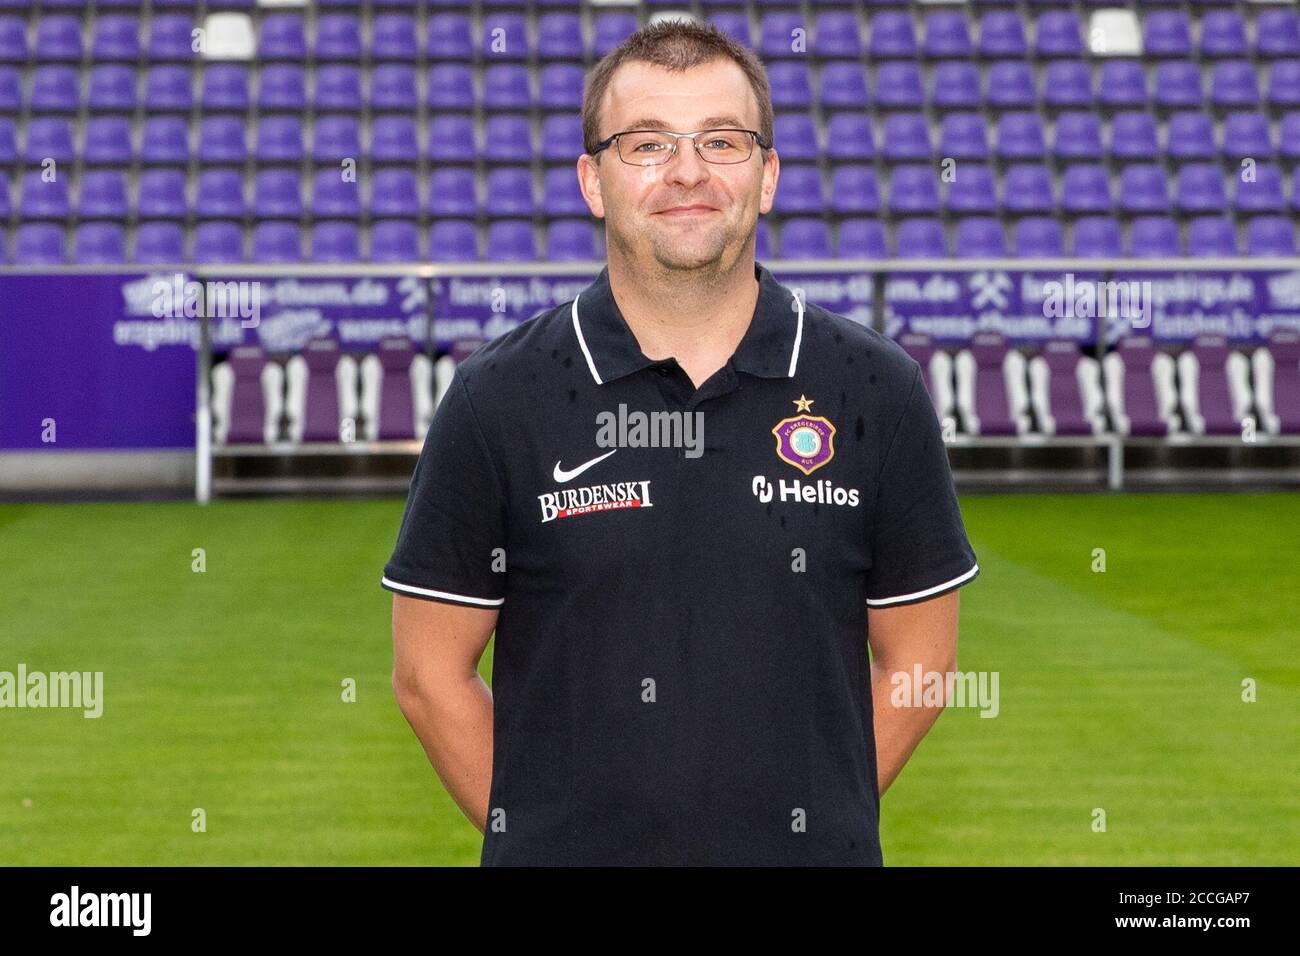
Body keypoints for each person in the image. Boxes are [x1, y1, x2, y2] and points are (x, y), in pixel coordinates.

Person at [384, 19, 979, 866]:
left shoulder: (877, 390)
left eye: (723, 141)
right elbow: (427, 677)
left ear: (767, 177)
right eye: (647, 142)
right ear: (593, 181)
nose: (689, 171)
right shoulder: (497, 399)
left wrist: (800, 829)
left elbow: (919, 666)